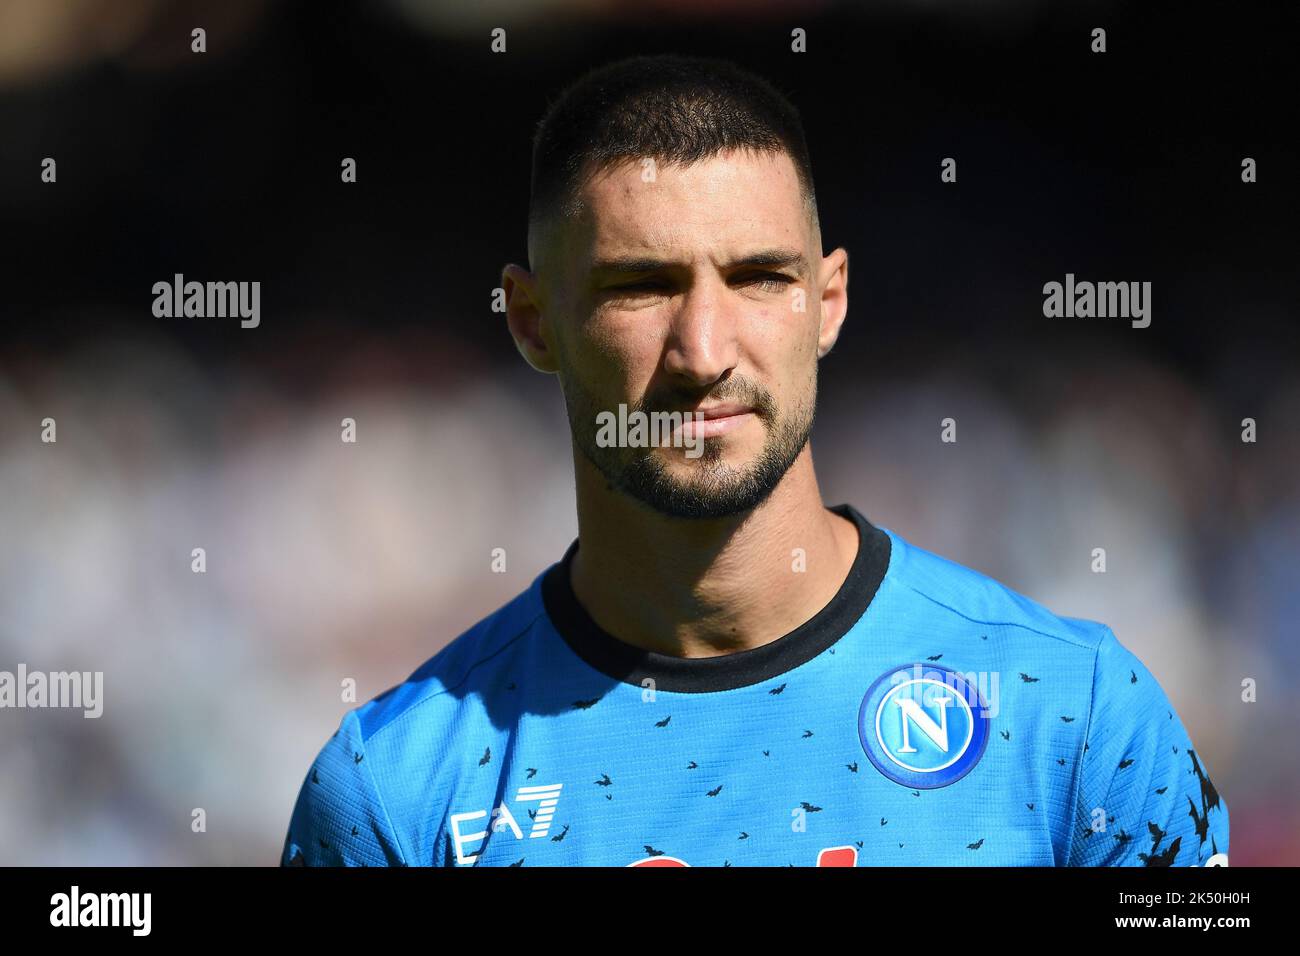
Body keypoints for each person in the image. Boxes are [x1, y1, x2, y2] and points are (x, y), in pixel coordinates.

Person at [281, 54, 1227, 867]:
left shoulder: (1074, 717)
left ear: (829, 301)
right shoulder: (395, 792)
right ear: (533, 322)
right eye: (641, 285)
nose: (704, 350)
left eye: (759, 278)